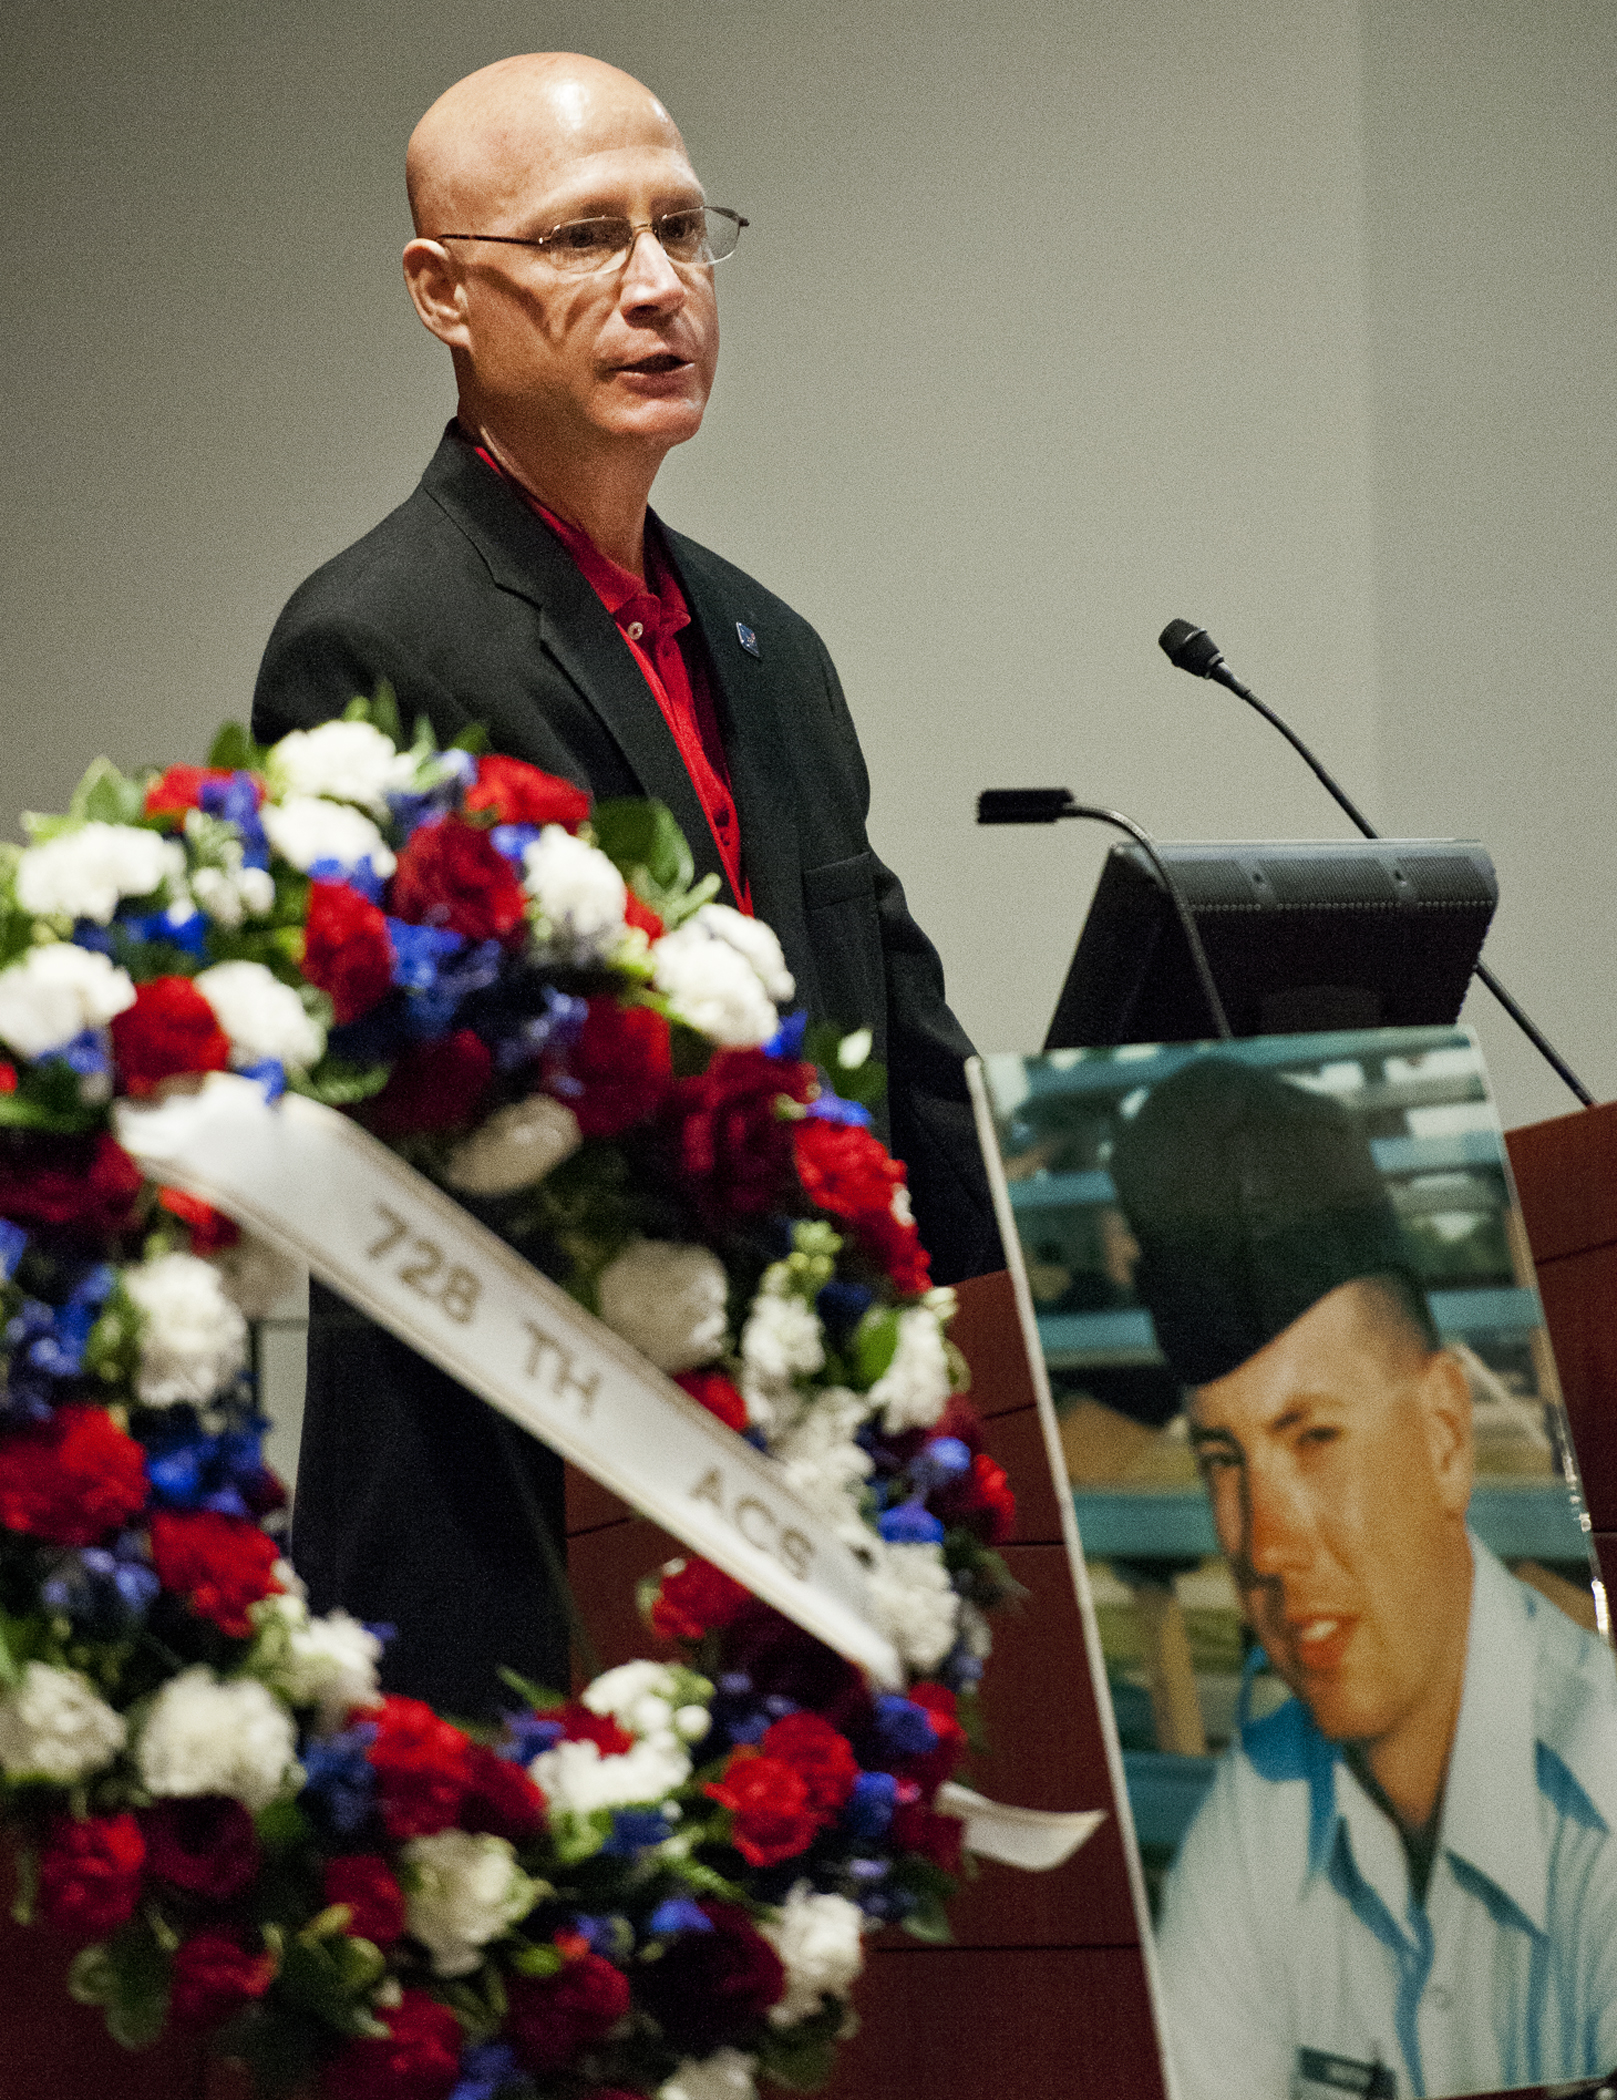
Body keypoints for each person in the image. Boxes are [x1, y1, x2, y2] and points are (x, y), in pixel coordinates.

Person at [250, 54, 1001, 1716]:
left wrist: (1041, 1299)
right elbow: (459, 1122)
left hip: (803, 1504)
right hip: (518, 1523)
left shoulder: (772, 651)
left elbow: (906, 1065)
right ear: (441, 291)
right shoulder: (373, 640)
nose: (658, 285)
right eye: (588, 236)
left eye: (682, 227)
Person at [1108, 1056, 1617, 2100]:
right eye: (1223, 1463)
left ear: (1443, 1436)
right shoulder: (1254, 1823)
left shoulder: (1603, 1795)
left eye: (1316, 1436)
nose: (1265, 1546)